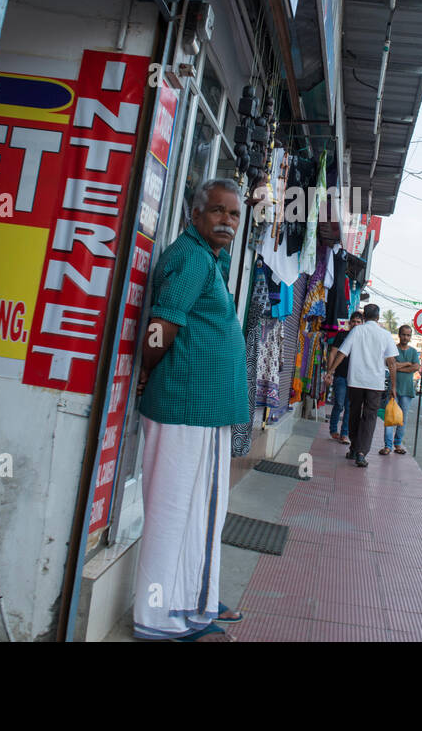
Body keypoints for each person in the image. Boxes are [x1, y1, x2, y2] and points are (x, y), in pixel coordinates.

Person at [133, 178, 247, 642]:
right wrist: (146, 370)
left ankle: (191, 600)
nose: (227, 220)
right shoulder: (191, 257)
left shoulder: (208, 259)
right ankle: (157, 617)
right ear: (195, 214)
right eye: (217, 211)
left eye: (234, 214)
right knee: (172, 512)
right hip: (184, 407)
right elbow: (161, 325)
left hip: (202, 412)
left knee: (201, 512)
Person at [324, 303, 397, 467]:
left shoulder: (357, 331)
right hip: (375, 384)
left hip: (355, 381)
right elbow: (392, 363)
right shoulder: (385, 335)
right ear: (378, 317)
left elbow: (342, 353)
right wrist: (393, 386)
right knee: (370, 418)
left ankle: (355, 448)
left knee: (354, 414)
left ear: (364, 317)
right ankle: (361, 452)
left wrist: (331, 371)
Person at [381, 325, 420, 455]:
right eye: (403, 334)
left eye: (408, 335)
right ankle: (387, 445)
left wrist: (398, 367)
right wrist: (406, 364)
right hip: (393, 389)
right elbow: (390, 364)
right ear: (399, 334)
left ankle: (397, 443)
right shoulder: (393, 349)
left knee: (402, 419)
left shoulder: (414, 352)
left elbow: (415, 367)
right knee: (390, 417)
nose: (406, 337)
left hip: (407, 390)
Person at [326, 311, 363, 444]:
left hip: (355, 377)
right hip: (340, 375)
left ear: (362, 323)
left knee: (349, 407)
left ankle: (344, 434)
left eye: (359, 322)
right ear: (349, 323)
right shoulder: (342, 335)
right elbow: (333, 353)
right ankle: (333, 429)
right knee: (339, 404)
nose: (356, 324)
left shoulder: (363, 339)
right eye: (353, 321)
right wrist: (329, 372)